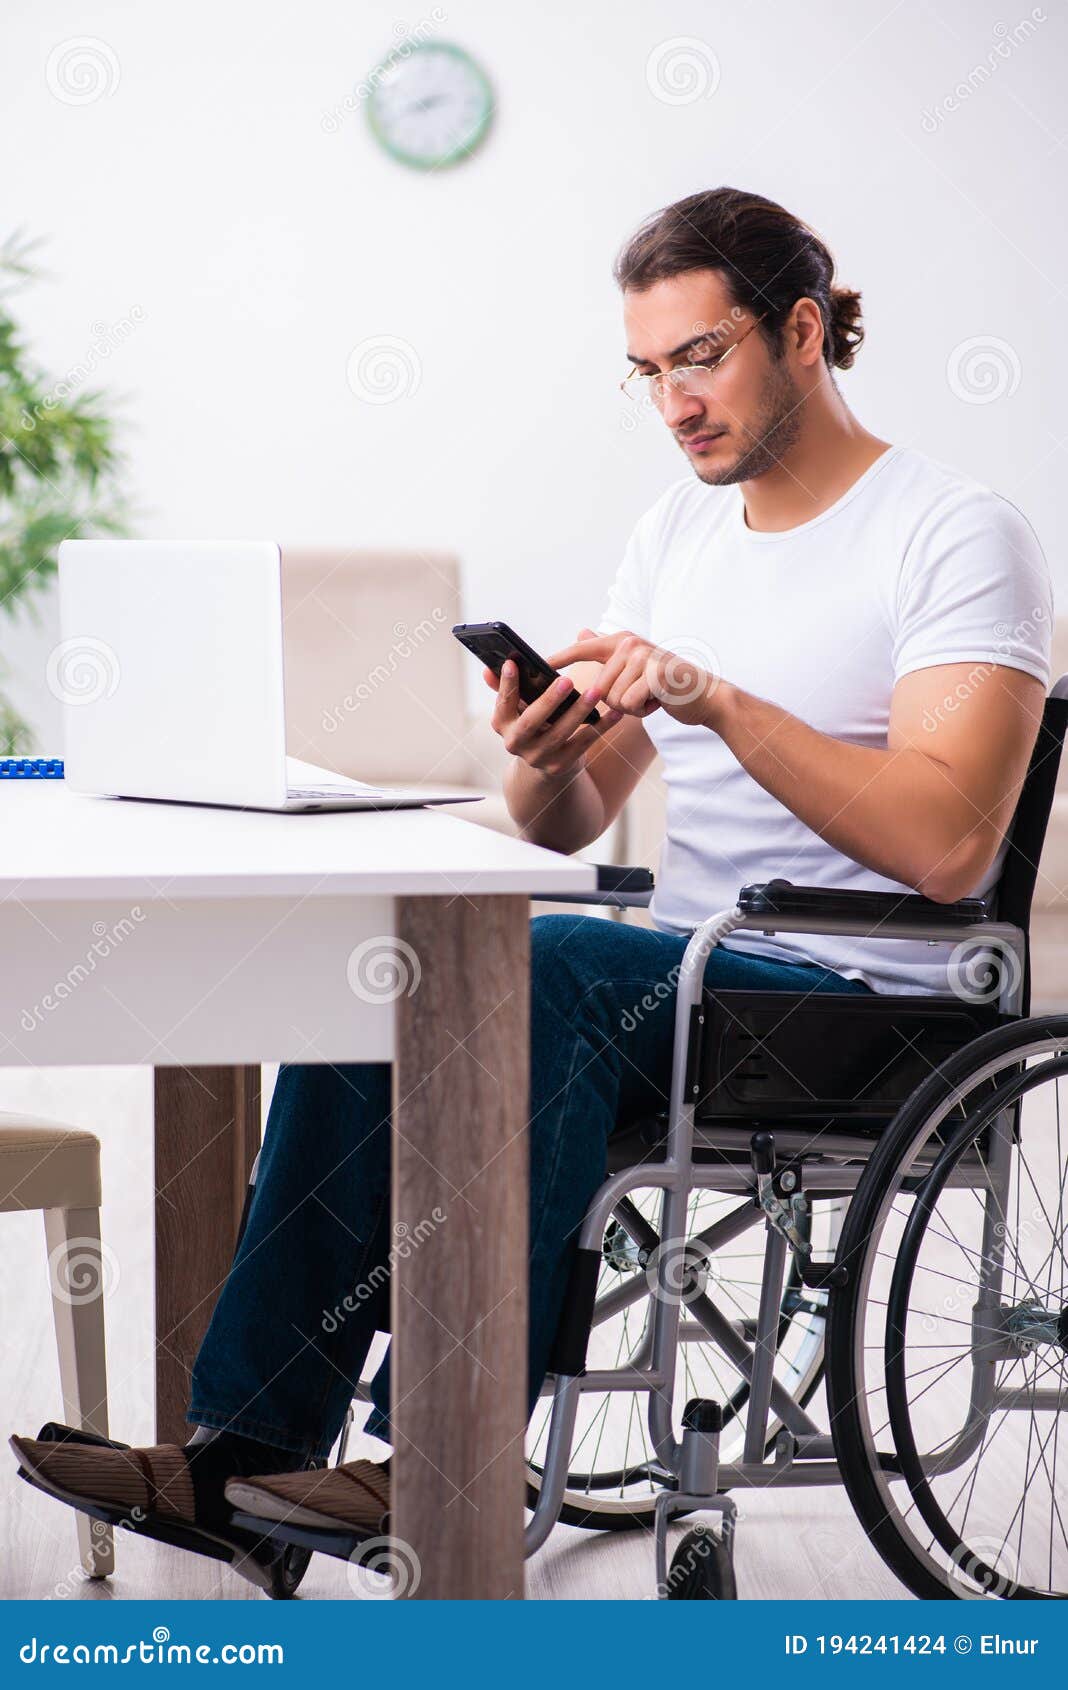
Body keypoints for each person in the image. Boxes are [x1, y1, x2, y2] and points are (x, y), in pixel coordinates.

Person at [12, 186, 1051, 1566]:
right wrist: (545, 748)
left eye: (703, 356)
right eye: (650, 370)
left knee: (547, 965)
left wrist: (717, 699)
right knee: (401, 960)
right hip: (688, 982)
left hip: (876, 1003)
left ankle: (431, 1454)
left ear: (804, 331)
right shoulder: (680, 538)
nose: (675, 401)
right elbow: (565, 822)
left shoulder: (954, 532)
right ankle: (246, 1460)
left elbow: (948, 842)